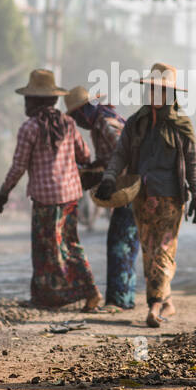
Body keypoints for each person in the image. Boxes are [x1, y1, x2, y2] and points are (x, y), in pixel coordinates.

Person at [96, 62, 196, 328]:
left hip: (172, 199)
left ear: (172, 95)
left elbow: (192, 163)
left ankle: (154, 307)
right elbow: (120, 155)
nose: (156, 94)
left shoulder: (182, 126)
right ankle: (165, 299)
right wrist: (109, 179)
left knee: (163, 252)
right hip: (142, 199)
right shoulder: (135, 123)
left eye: (162, 90)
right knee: (148, 252)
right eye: (153, 89)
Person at [0, 70, 102, 310]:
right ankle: (90, 291)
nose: (25, 103)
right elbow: (84, 155)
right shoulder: (69, 123)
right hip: (71, 195)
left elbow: (18, 167)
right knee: (70, 243)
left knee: (45, 249)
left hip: (45, 199)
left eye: (28, 99)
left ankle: (45, 296)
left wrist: (2, 195)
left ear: (38, 101)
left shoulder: (29, 128)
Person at [66, 84, 140, 309]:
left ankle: (121, 300)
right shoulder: (101, 122)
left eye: (76, 117)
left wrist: (109, 178)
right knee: (121, 240)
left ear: (83, 112)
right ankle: (121, 297)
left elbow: (125, 155)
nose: (77, 123)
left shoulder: (106, 124)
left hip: (130, 187)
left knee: (122, 242)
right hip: (122, 185)